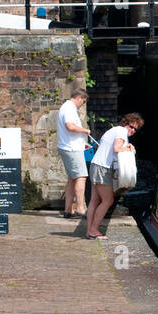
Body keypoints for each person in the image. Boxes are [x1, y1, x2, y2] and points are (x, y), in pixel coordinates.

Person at [86, 113, 144, 239]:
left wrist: (126, 146)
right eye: (131, 126)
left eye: (135, 129)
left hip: (95, 165)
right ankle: (94, 230)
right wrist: (129, 149)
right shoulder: (122, 132)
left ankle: (89, 230)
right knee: (108, 200)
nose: (132, 130)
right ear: (125, 123)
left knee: (94, 200)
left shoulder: (113, 130)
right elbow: (116, 149)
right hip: (103, 168)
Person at [56, 90, 92, 218]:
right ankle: (81, 208)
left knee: (72, 179)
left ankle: (68, 209)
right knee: (81, 177)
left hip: (70, 146)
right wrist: (85, 130)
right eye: (83, 101)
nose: (82, 104)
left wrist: (82, 143)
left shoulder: (66, 107)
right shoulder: (69, 108)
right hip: (71, 149)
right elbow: (70, 126)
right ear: (78, 97)